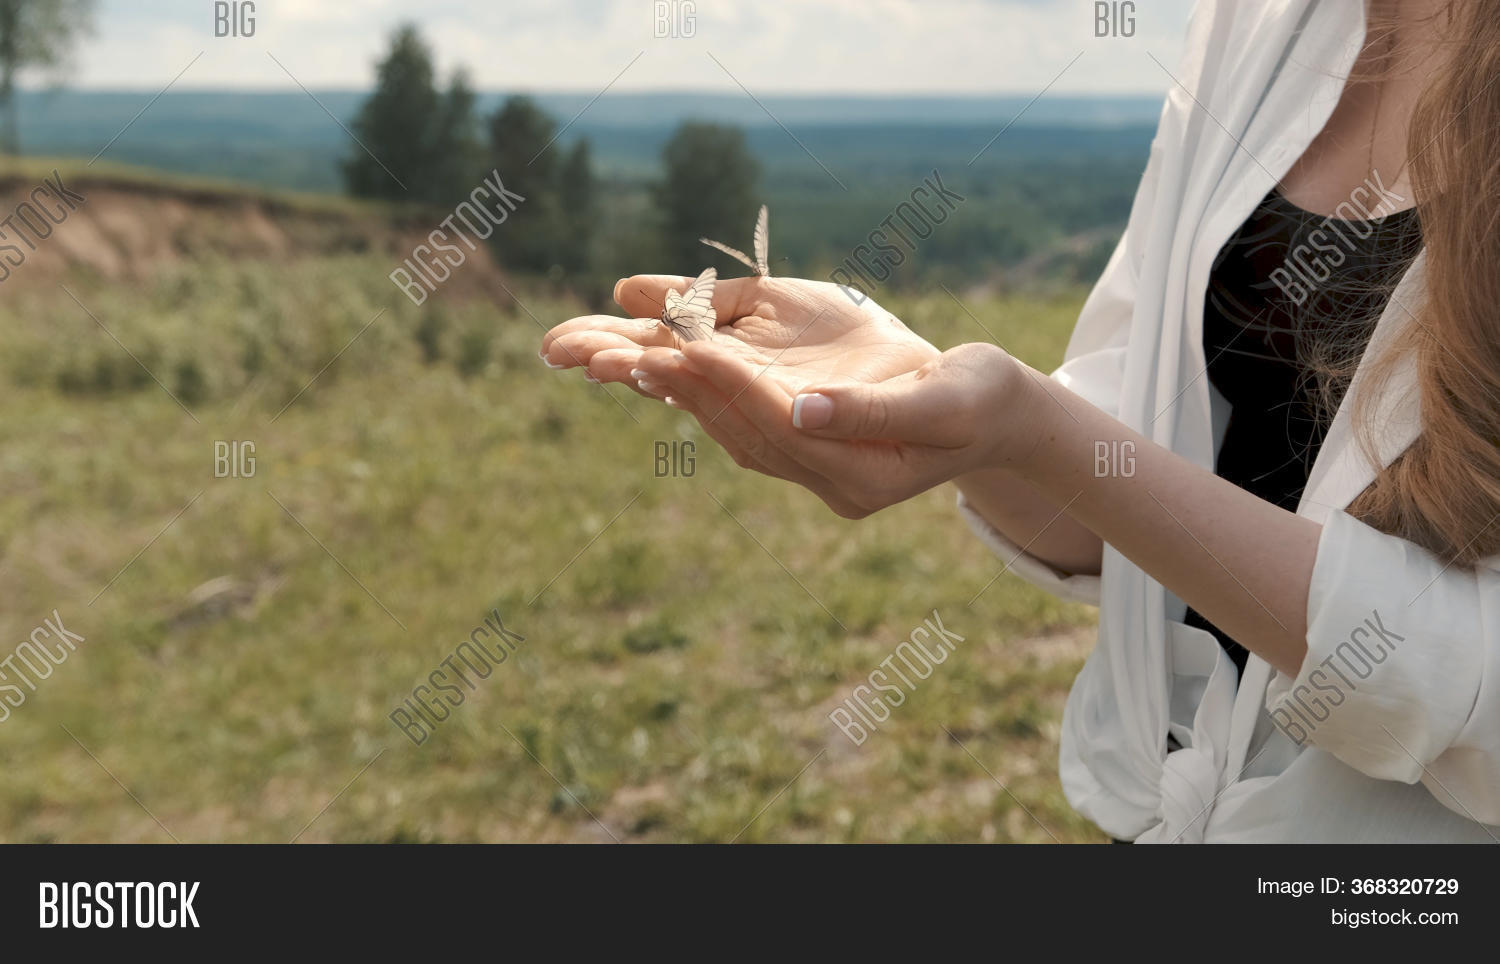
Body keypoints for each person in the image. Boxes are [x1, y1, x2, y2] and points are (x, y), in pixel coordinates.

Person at [540, 0, 1500, 842]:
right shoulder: (1255, 21)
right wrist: (941, 406)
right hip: (1161, 806)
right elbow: (1131, 486)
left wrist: (1033, 428)